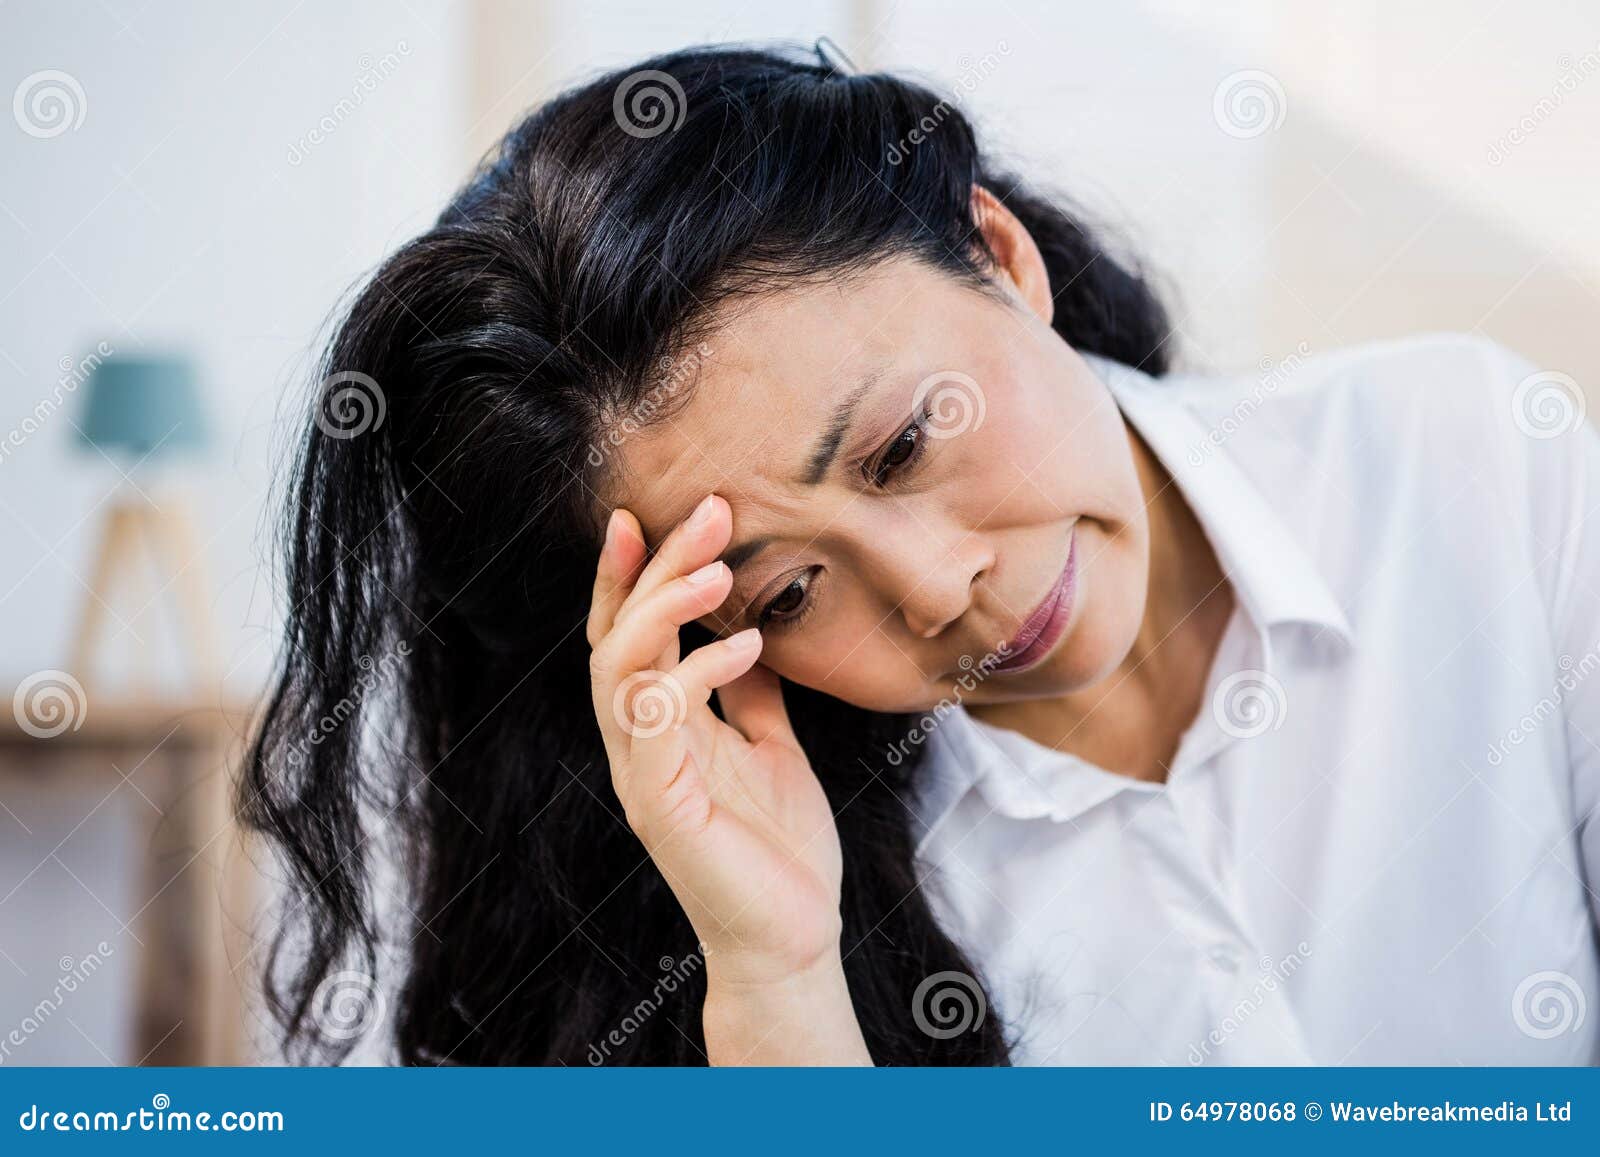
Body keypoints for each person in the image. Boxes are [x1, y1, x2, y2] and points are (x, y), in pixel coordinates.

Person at [242, 44, 1600, 1066]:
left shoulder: (1468, 462)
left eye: (904, 445)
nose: (938, 585)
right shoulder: (781, 866)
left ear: (997, 255)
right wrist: (774, 970)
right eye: (786, 588)